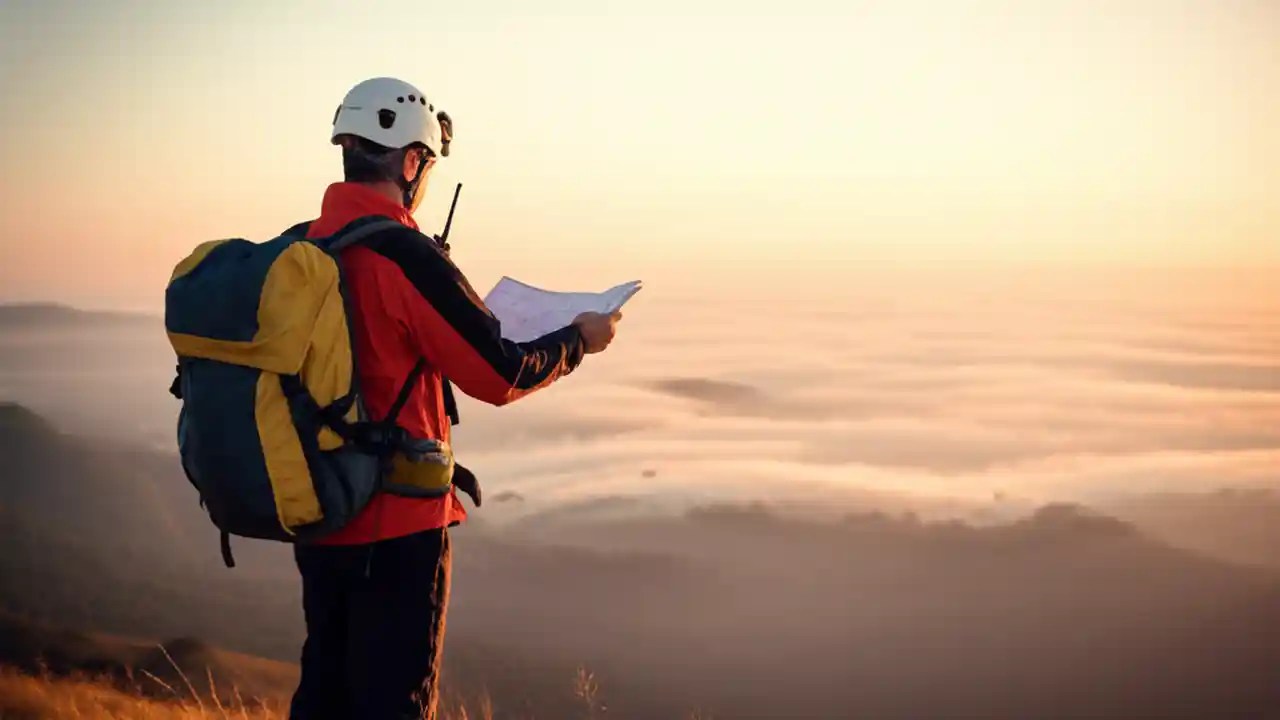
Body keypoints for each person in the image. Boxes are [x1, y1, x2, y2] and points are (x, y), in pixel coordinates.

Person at [288, 77, 621, 720]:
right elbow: (499, 375)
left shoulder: (305, 245)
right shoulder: (405, 255)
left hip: (320, 507)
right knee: (394, 703)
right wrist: (578, 342)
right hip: (399, 522)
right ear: (412, 161)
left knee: (326, 692)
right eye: (427, 163)